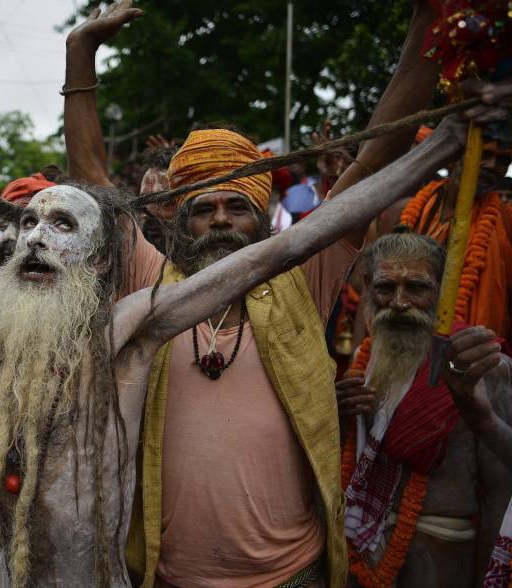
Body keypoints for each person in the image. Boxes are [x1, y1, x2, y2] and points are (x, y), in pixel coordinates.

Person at [0, 55, 509, 583]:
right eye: (25, 224)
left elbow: (317, 223)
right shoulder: (7, 308)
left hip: (196, 571)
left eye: (58, 225)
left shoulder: (145, 315)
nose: (32, 237)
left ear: (98, 253)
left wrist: (439, 131)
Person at [62, 2, 446, 586]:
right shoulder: (151, 286)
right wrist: (80, 53)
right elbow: (93, 181)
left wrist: (429, 22)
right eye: (203, 209)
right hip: (167, 577)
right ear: (177, 223)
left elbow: (374, 158)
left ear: (263, 218)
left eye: (237, 205)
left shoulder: (301, 274)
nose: (220, 220)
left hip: (293, 574)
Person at [336, 231, 512, 586]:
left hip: (444, 560)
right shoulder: (369, 355)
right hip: (363, 553)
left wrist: (482, 419)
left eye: (416, 287)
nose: (400, 302)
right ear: (366, 285)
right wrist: (338, 416)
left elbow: (510, 487)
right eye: (386, 287)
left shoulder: (486, 366)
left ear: (443, 287)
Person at [373, 121, 512, 369]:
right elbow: (371, 292)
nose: (492, 166)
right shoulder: (401, 214)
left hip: (474, 371)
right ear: (451, 159)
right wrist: (359, 362)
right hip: (397, 362)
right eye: (484, 154)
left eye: (502, 160)